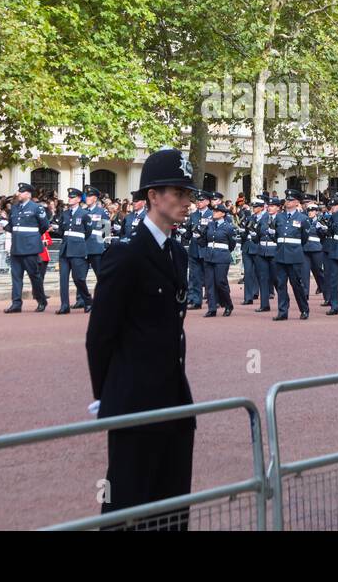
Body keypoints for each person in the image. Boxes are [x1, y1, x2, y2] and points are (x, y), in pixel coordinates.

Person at [85, 148, 197, 530]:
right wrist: (108, 396)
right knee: (126, 504)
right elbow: (100, 335)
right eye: (178, 193)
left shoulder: (177, 254)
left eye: (189, 194)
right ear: (152, 196)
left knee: (172, 508)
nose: (187, 202)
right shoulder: (126, 255)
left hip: (174, 400)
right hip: (133, 401)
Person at [3, 183, 49, 313]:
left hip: (30, 248)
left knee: (34, 276)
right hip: (16, 247)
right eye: (19, 191)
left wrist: (32, 237)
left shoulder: (36, 208)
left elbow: (44, 226)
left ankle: (41, 300)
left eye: (21, 192)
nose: (18, 194)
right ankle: (16, 303)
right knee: (16, 277)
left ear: (28, 194)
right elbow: (12, 226)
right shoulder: (15, 208)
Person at [51, 188, 93, 314]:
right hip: (65, 249)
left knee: (78, 278)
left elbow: (88, 232)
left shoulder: (84, 214)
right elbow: (61, 231)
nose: (70, 199)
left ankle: (88, 300)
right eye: (69, 197)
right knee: (63, 279)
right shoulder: (64, 214)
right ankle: (64, 305)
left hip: (77, 249)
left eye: (72, 197)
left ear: (79, 199)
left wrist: (78, 243)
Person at [272, 190, 311, 321]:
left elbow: (304, 238)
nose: (287, 202)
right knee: (281, 285)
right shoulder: (279, 217)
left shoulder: (303, 218)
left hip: (294, 256)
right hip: (280, 255)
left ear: (296, 202)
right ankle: (282, 312)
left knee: (297, 285)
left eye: (290, 200)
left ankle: (304, 309)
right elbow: (276, 236)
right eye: (287, 200)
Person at [198, 202, 237, 317]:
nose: (213, 213)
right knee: (209, 284)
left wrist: (223, 252)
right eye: (213, 211)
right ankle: (212, 308)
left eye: (216, 211)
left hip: (222, 257)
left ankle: (228, 305)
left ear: (223, 214)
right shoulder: (210, 225)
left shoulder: (228, 227)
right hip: (209, 257)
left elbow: (232, 244)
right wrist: (198, 236)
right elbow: (204, 241)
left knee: (221, 282)